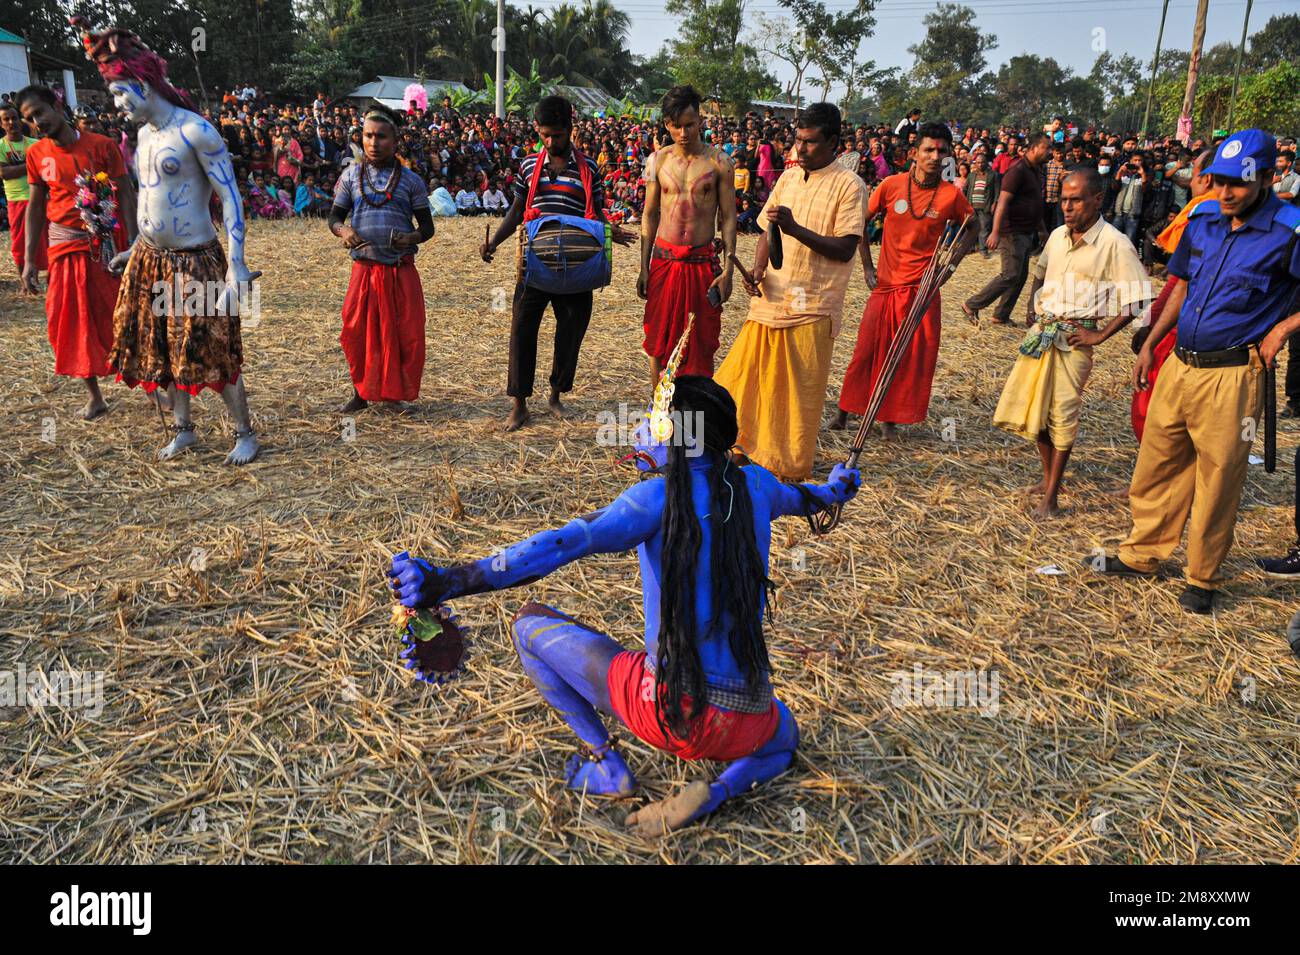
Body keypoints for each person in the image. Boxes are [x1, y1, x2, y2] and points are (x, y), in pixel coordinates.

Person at [388, 374, 861, 835]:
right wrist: (839, 486)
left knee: (529, 626)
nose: (640, 431)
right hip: (746, 715)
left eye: (654, 423)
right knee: (785, 742)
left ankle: (608, 766)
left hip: (669, 712)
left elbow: (557, 546)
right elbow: (815, 498)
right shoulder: (756, 486)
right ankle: (717, 792)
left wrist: (451, 581)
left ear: (680, 439)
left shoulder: (654, 498)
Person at [1086, 130, 1300, 615]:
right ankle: (1142, 553)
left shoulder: (1292, 228)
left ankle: (1202, 577)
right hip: (1180, 362)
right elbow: (1180, 285)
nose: (1225, 194)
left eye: (1238, 185)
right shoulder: (1202, 217)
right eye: (1218, 182)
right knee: (1158, 461)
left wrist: (1283, 329)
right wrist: (1152, 341)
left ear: (1267, 178)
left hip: (1235, 373)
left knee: (1218, 476)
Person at [73, 19, 261, 463]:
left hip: (196, 260)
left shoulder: (195, 130)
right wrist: (134, 245)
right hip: (151, 260)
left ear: (143, 82)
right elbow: (149, 201)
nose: (117, 104)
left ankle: (244, 431)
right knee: (163, 346)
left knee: (213, 348)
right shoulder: (141, 134)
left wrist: (236, 264)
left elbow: (230, 198)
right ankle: (184, 429)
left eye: (121, 92)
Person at [714, 103, 867, 481]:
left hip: (813, 305)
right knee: (744, 379)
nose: (801, 149)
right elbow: (769, 229)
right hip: (772, 299)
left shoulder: (851, 186)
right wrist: (757, 269)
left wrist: (796, 229)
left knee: (795, 393)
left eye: (811, 142)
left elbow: (846, 247)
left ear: (833, 142)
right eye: (798, 140)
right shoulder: (788, 178)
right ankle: (740, 446)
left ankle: (783, 464)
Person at [992, 169, 1150, 519]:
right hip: (1042, 335)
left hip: (1074, 341)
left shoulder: (1114, 243)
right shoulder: (1057, 237)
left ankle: (1050, 499)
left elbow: (1137, 299)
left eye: (1076, 200)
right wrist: (1033, 311)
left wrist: (1099, 335)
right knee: (1039, 410)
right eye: (1064, 199)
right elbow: (1039, 272)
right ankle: (1051, 480)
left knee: (1062, 414)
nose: (1067, 207)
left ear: (1097, 200)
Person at [480, 95, 633, 431]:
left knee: (570, 332)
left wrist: (611, 233)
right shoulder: (527, 167)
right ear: (538, 130)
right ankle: (519, 404)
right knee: (521, 330)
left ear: (571, 130)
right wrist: (494, 242)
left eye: (558, 136)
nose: (551, 142)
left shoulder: (589, 168)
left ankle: (555, 396)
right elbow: (517, 211)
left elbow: (596, 213)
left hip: (577, 267)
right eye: (545, 135)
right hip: (534, 266)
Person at [831, 122, 973, 438]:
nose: (935, 157)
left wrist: (949, 267)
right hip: (886, 286)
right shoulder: (891, 185)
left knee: (906, 356)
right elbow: (858, 224)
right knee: (865, 350)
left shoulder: (951, 196)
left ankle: (888, 420)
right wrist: (867, 268)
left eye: (941, 151)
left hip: (922, 291)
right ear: (913, 153)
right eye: (928, 150)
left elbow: (972, 227)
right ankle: (844, 411)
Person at [18, 83, 136, 421]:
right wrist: (29, 260)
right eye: (30, 119)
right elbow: (36, 206)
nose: (36, 122)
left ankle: (152, 386)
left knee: (120, 314)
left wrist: (134, 243)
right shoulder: (36, 154)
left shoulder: (102, 145)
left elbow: (126, 193)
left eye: (39, 112)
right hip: (63, 246)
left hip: (106, 245)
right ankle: (95, 396)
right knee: (71, 319)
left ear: (57, 104)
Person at [328, 107, 435, 413]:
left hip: (400, 271)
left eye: (381, 136)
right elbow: (334, 217)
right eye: (368, 136)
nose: (373, 143)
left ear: (395, 139)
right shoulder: (350, 176)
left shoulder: (411, 181)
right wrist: (343, 229)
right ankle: (361, 393)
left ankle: (395, 394)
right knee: (357, 331)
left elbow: (427, 228)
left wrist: (409, 238)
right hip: (364, 269)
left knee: (404, 334)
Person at [637, 85, 735, 391]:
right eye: (676, 126)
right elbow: (650, 214)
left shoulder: (720, 163)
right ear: (667, 124)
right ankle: (659, 410)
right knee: (658, 338)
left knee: (701, 340)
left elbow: (728, 218)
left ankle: (696, 408)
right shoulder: (657, 161)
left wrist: (729, 270)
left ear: (700, 120)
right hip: (664, 262)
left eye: (690, 124)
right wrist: (643, 267)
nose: (683, 132)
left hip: (701, 262)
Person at [1129, 148, 1216, 442]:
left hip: (1185, 330)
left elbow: (1179, 283)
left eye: (1194, 172)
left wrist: (1151, 326)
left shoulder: (1202, 217)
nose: (1190, 179)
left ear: (1207, 179)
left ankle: (1150, 480)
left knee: (1149, 401)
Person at [963, 133, 1049, 326]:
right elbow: (1002, 201)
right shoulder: (1017, 170)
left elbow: (1035, 203)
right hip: (1011, 231)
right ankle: (972, 305)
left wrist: (1042, 229)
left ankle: (1000, 315)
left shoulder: (1035, 171)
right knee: (1010, 274)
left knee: (1020, 276)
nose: (1049, 152)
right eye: (1046, 148)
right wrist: (994, 231)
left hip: (1026, 231)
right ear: (1034, 148)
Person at [0, 102, 47, 275]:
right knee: (19, 243)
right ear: (1, 124)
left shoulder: (36, 144)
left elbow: (45, 169)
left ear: (20, 120)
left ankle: (51, 277)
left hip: (41, 198)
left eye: (14, 118)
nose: (11, 122)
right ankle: (24, 281)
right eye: (6, 119)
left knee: (47, 239)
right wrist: (30, 164)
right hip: (16, 200)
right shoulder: (1, 146)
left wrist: (17, 168)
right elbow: (3, 173)